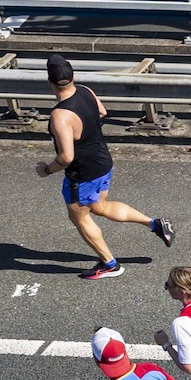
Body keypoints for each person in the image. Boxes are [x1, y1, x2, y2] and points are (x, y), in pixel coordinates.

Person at [32, 53, 173, 280]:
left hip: (82, 173)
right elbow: (102, 112)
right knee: (99, 206)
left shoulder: (60, 115)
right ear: (73, 77)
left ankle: (110, 264)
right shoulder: (85, 91)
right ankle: (155, 224)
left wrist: (46, 170)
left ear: (49, 81)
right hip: (102, 162)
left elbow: (66, 157)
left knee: (80, 217)